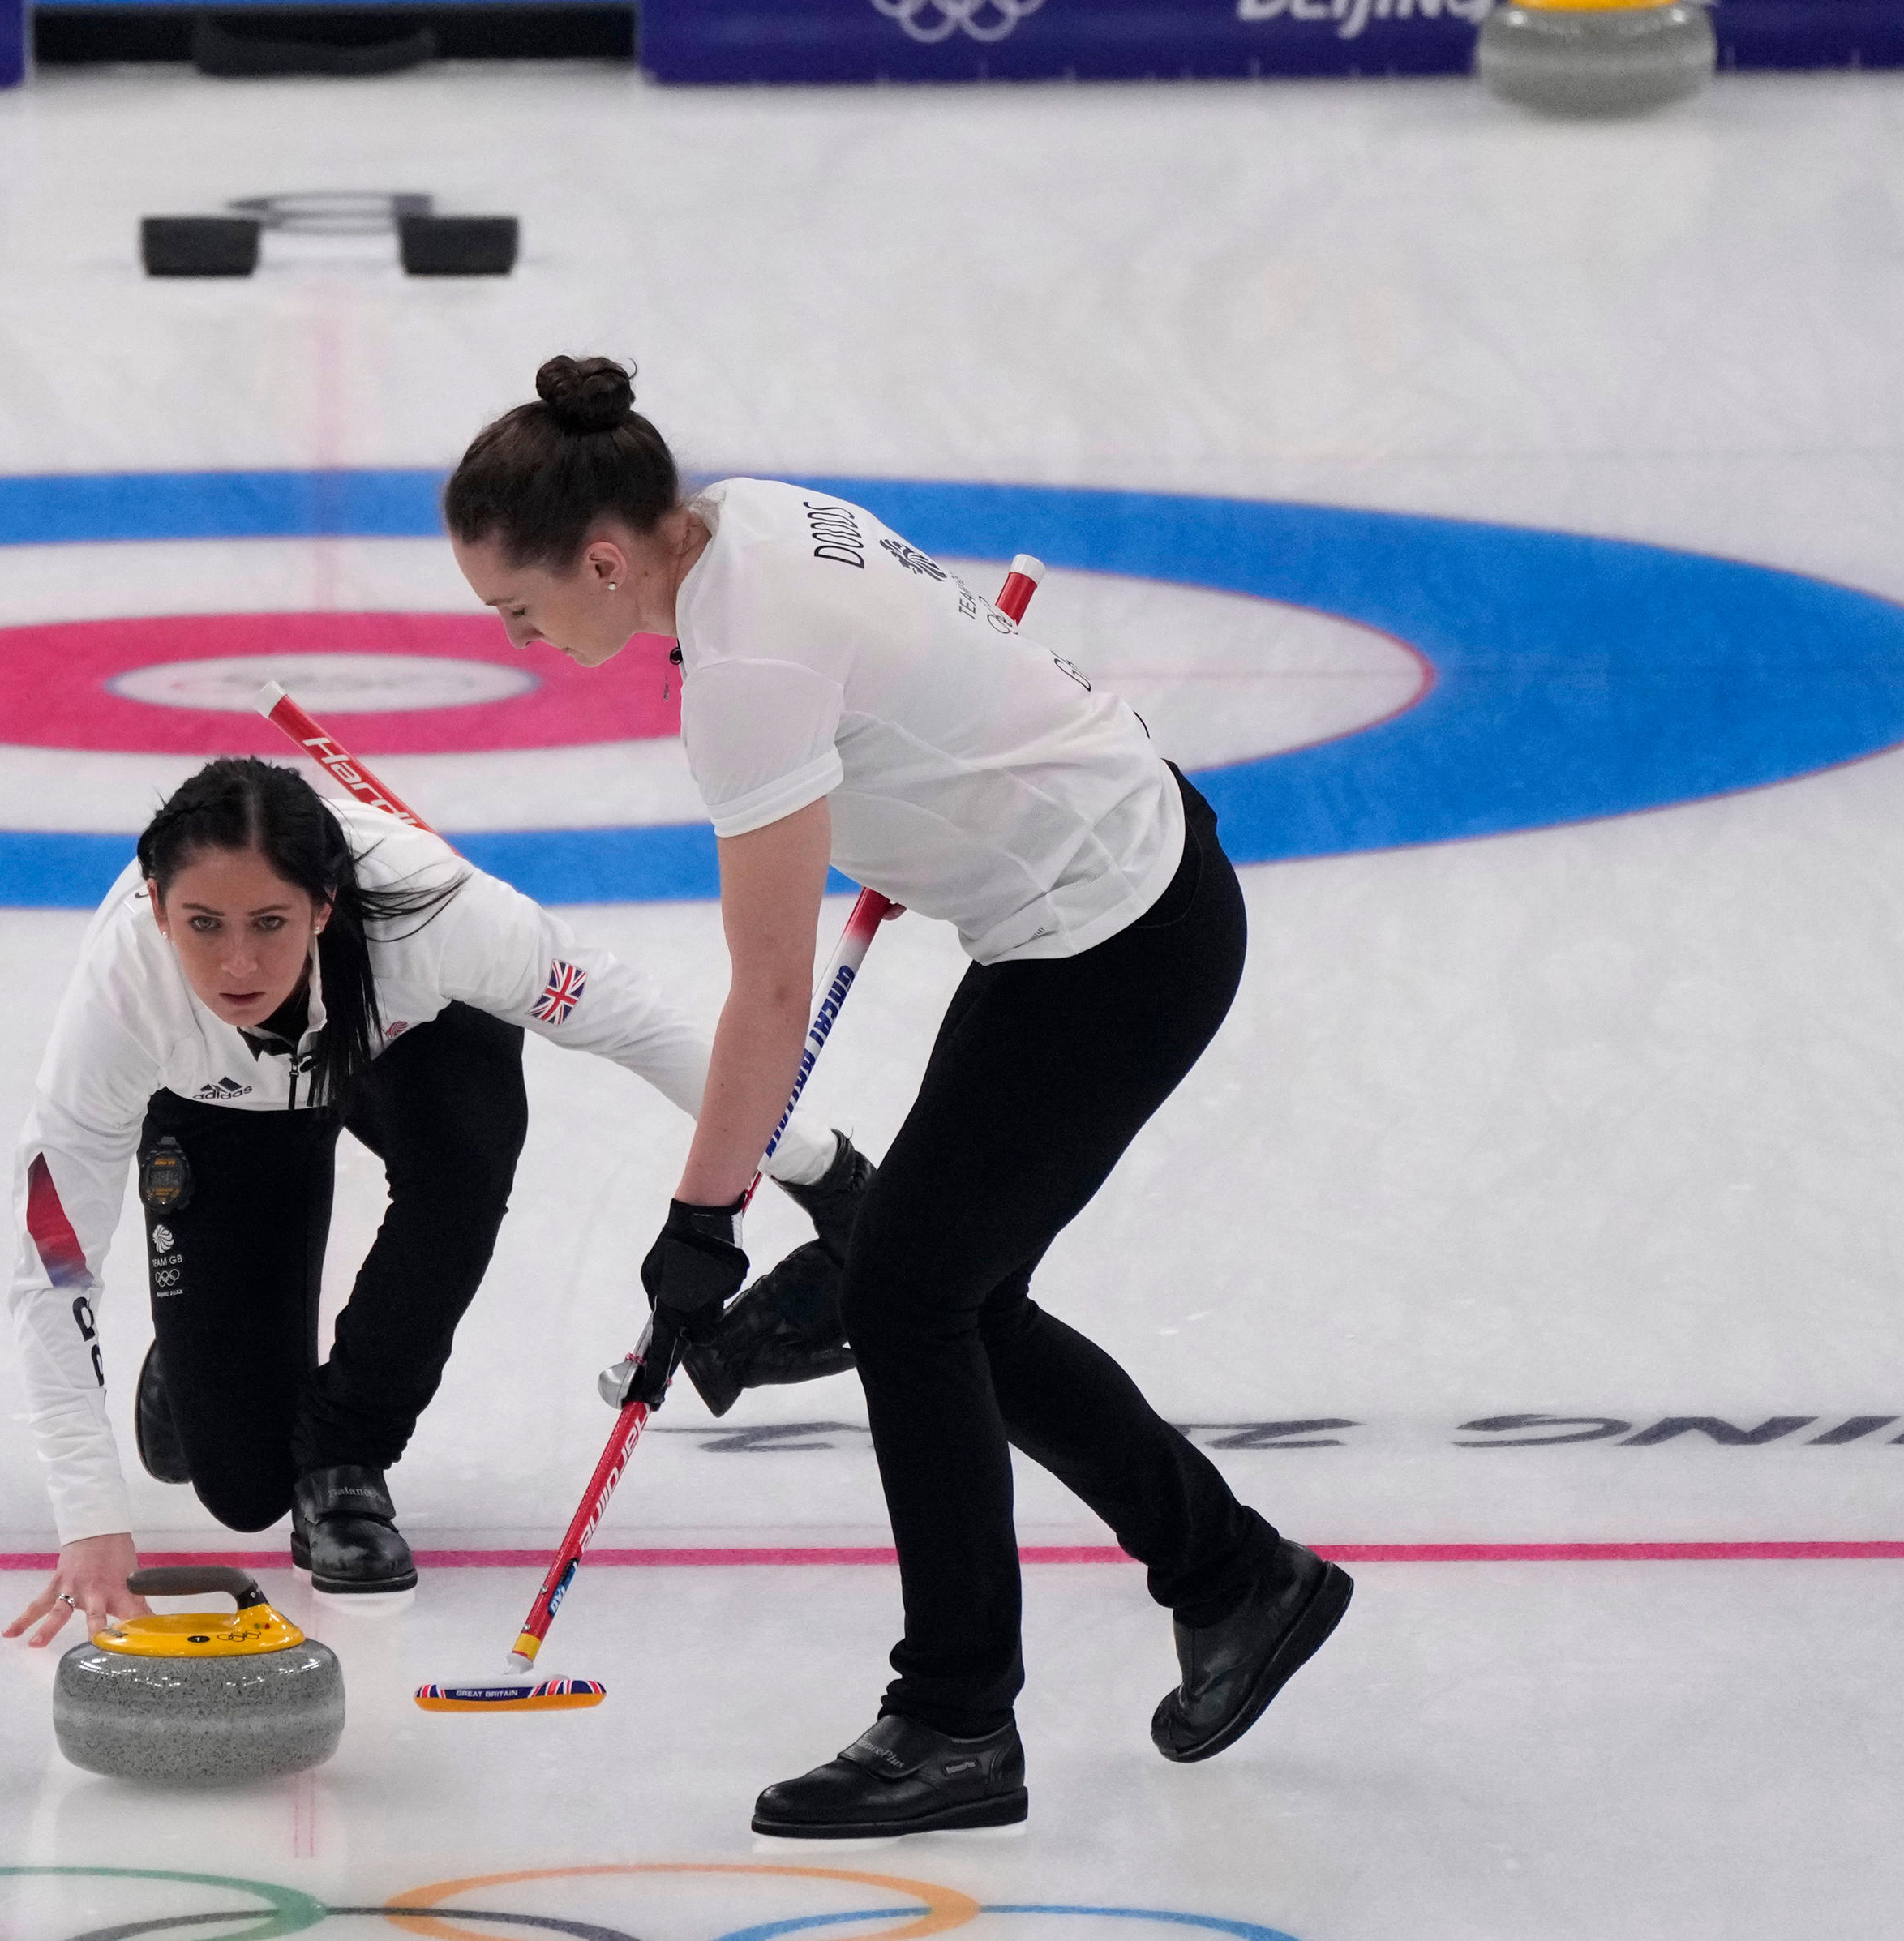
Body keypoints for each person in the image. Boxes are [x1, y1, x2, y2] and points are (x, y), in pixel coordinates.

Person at [443, 353, 1351, 1836]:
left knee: (912, 1296)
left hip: (1115, 938)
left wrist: (699, 1227)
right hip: (1110, 890)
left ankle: (954, 1720)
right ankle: (1238, 1576)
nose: (523, 637)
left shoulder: (741, 671)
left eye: (519, 606)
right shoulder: (743, 521)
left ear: (605, 558)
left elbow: (770, 991)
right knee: (951, 1291)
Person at [1, 755, 846, 1645]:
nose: (237, 961)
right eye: (201, 925)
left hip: (409, 1037)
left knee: (463, 1162)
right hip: (220, 1095)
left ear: (323, 904)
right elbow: (52, 1264)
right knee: (242, 1490)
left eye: (270, 921)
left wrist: (826, 1172)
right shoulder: (121, 996)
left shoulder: (441, 913)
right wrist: (89, 1517)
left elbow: (639, 1025)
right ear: (156, 906)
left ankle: (345, 1458)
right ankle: (197, 1355)